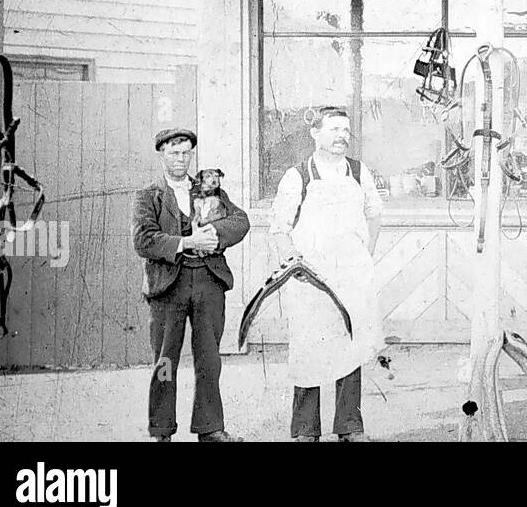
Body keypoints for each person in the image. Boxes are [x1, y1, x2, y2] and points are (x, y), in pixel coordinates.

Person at [269, 106, 383, 442]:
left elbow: (374, 215)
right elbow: (279, 228)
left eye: (345, 131)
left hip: (351, 278)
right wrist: (292, 258)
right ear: (315, 133)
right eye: (333, 129)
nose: (341, 137)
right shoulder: (298, 176)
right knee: (308, 350)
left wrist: (364, 255)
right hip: (312, 281)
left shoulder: (360, 173)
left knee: (352, 347)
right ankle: (305, 429)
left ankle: (349, 426)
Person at [132, 127, 249, 442]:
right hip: (169, 286)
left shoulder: (209, 189)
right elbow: (143, 240)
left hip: (209, 281)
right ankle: (161, 430)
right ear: (162, 154)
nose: (181, 159)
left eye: (186, 152)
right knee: (166, 360)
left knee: (209, 358)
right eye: (174, 153)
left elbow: (240, 221)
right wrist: (186, 241)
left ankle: (210, 428)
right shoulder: (149, 195)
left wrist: (213, 237)